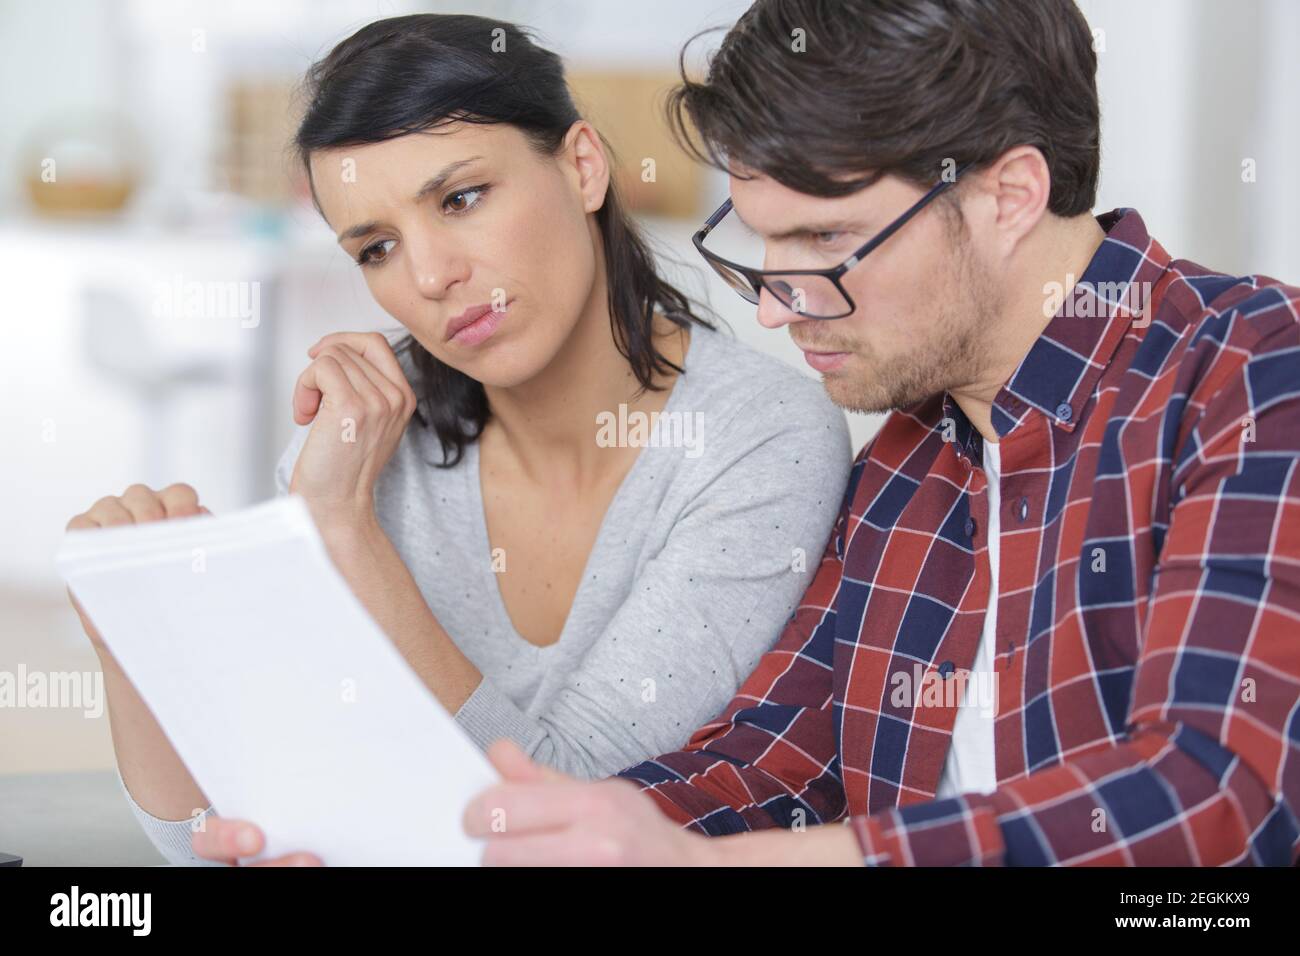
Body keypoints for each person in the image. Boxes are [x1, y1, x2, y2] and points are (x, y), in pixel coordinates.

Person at [198, 0, 1300, 867]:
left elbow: (1215, 798)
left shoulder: (1250, 369)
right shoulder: (913, 457)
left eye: (825, 236)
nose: (774, 307)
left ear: (1010, 192)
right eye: (760, 243)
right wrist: (451, 843)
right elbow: (768, 757)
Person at [64, 13, 849, 866]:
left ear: (583, 166)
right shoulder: (355, 448)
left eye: (462, 199)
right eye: (377, 247)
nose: (431, 276)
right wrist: (133, 644)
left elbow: (566, 807)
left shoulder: (759, 440)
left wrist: (342, 535)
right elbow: (199, 840)